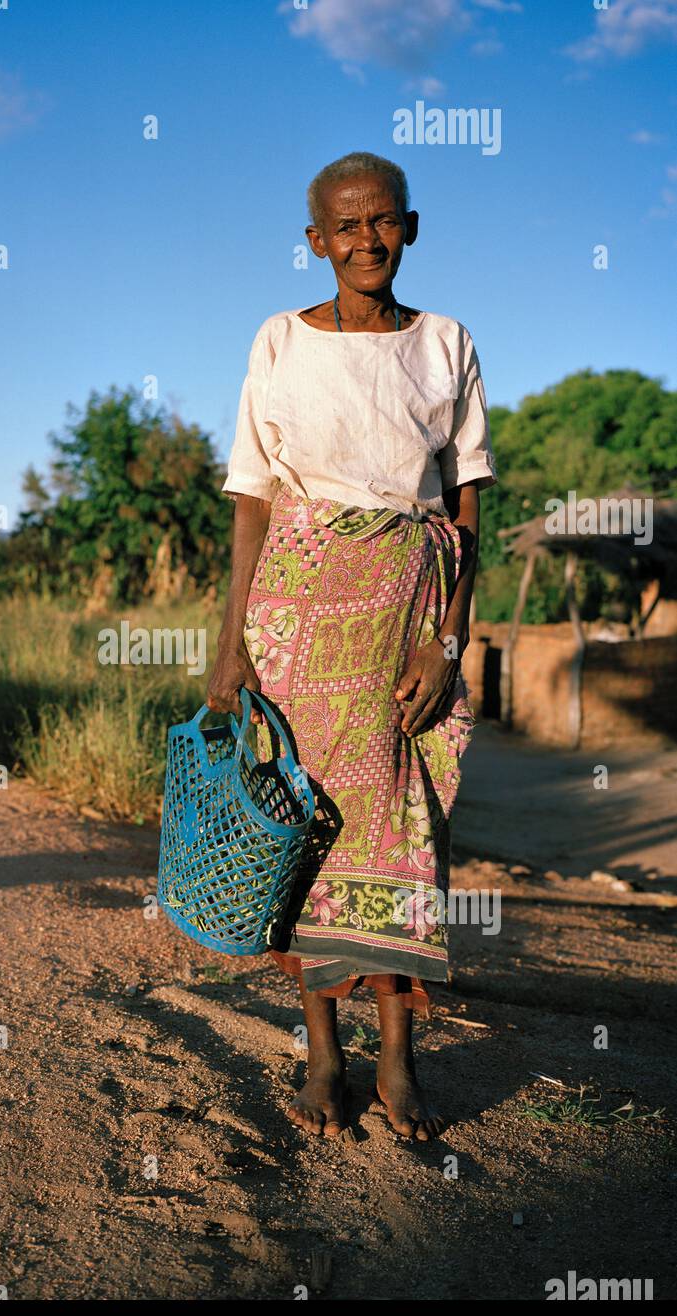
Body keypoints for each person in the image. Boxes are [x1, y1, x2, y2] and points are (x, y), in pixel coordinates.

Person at [207, 151, 496, 1142]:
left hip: (405, 616)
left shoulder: (446, 342)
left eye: (381, 221)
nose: (363, 240)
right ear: (314, 239)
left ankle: (399, 1064)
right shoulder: (277, 342)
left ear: (407, 228)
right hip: (295, 613)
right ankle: (324, 1054)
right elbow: (252, 500)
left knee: (403, 825)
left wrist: (447, 640)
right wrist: (230, 642)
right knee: (309, 829)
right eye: (343, 224)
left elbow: (465, 507)